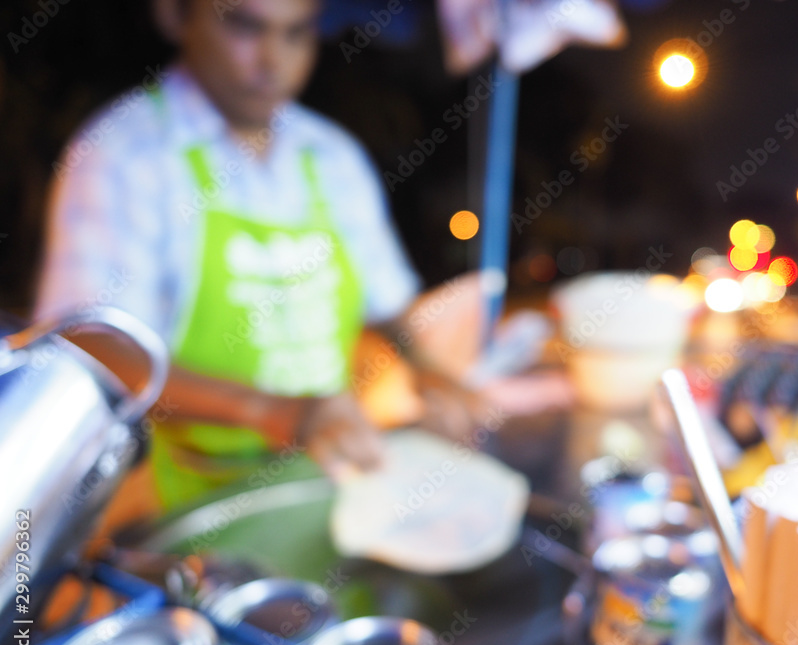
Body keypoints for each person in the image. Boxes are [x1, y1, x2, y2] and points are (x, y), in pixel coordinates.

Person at [35, 0, 483, 512]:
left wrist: (427, 366)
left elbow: (388, 305)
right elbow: (93, 353)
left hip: (327, 483)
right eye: (246, 27)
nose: (273, 62)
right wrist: (277, 413)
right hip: (184, 506)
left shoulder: (332, 157)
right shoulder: (123, 156)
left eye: (296, 34)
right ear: (175, 16)